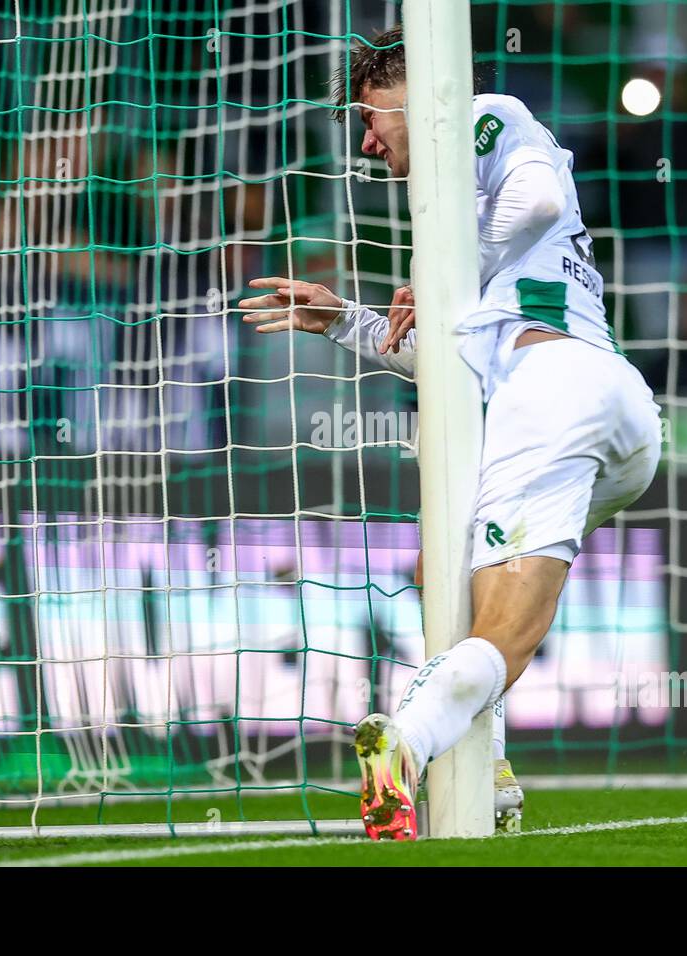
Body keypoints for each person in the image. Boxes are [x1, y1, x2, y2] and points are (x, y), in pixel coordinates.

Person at [238, 25, 662, 840]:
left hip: (555, 394)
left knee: (495, 626)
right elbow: (460, 350)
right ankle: (489, 765)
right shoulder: (456, 203)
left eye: (369, 117)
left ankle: (407, 739)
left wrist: (445, 274)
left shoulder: (478, 115)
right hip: (604, 411)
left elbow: (535, 203)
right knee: (456, 571)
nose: (366, 141)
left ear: (407, 91)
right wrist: (346, 322)